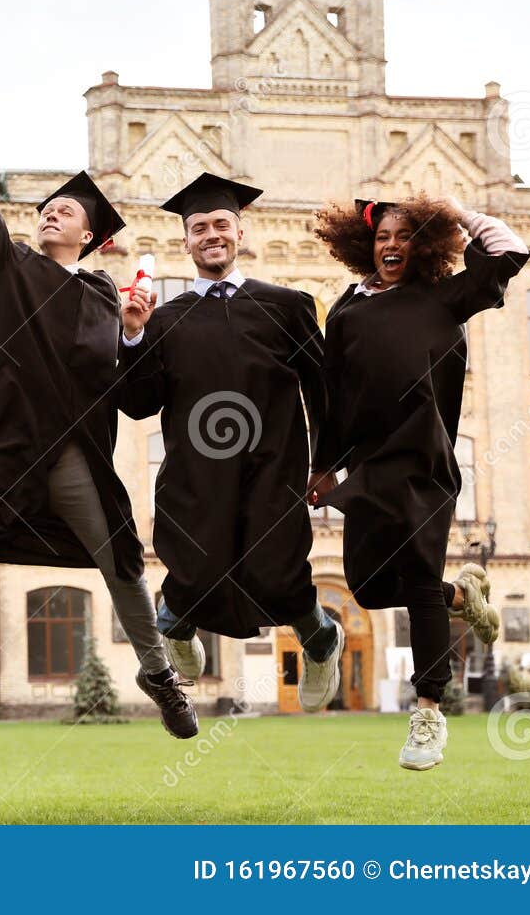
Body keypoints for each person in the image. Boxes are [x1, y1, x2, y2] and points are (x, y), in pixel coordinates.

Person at [0, 80, 197, 746]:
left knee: (122, 561)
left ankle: (159, 676)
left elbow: (119, 388)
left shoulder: (106, 295)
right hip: (6, 443)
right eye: (47, 208)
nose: (52, 214)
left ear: (91, 234)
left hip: (75, 449)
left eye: (67, 211)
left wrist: (135, 334)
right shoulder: (8, 267)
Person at [310, 194, 525, 769]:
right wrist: (322, 465)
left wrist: (454, 213)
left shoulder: (442, 298)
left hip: (424, 465)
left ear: (423, 244)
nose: (391, 245)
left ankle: (427, 712)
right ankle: (464, 595)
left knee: (420, 580)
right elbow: (333, 398)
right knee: (371, 588)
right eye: (382, 235)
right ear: (366, 245)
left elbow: (508, 251)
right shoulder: (347, 310)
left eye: (405, 235)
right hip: (369, 469)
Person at [118, 173, 344, 709]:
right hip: (197, 473)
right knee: (196, 565)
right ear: (185, 242)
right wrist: (131, 335)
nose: (211, 234)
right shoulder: (163, 320)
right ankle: (174, 631)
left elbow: (323, 389)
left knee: (277, 568)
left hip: (274, 467)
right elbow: (138, 402)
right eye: (200, 228)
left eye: (221, 224)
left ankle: (321, 640)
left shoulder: (287, 306)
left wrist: (327, 463)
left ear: (240, 233)